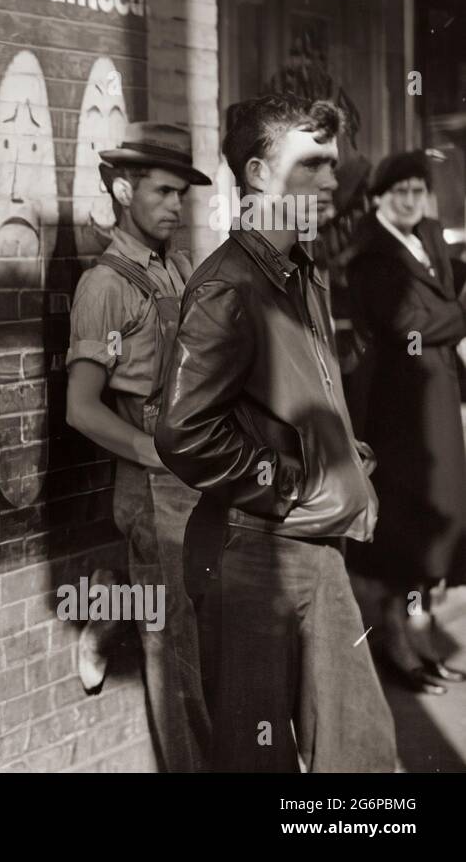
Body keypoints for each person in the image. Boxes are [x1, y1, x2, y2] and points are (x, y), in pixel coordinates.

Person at [155, 94, 396, 772]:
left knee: (359, 755)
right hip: (252, 554)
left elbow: (286, 400)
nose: (330, 180)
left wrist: (340, 454)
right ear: (259, 174)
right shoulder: (228, 286)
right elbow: (184, 432)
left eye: (333, 165)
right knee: (256, 761)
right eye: (311, 164)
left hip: (312, 547)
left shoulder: (303, 274)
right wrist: (294, 482)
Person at [65, 122, 213, 772]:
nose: (175, 206)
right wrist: (152, 453)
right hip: (152, 485)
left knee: (202, 630)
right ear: (124, 191)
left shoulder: (178, 268)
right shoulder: (105, 286)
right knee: (175, 647)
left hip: (197, 473)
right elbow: (80, 408)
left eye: (182, 194)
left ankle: (113, 597)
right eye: (163, 192)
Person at [346, 150, 466, 694]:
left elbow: (427, 316)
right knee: (402, 522)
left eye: (419, 190)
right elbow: (404, 324)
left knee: (433, 517)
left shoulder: (427, 240)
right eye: (401, 192)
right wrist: (459, 315)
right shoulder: (372, 254)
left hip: (435, 396)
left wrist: (444, 317)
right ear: (378, 198)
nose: (412, 200)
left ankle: (419, 635)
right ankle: (394, 637)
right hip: (399, 406)